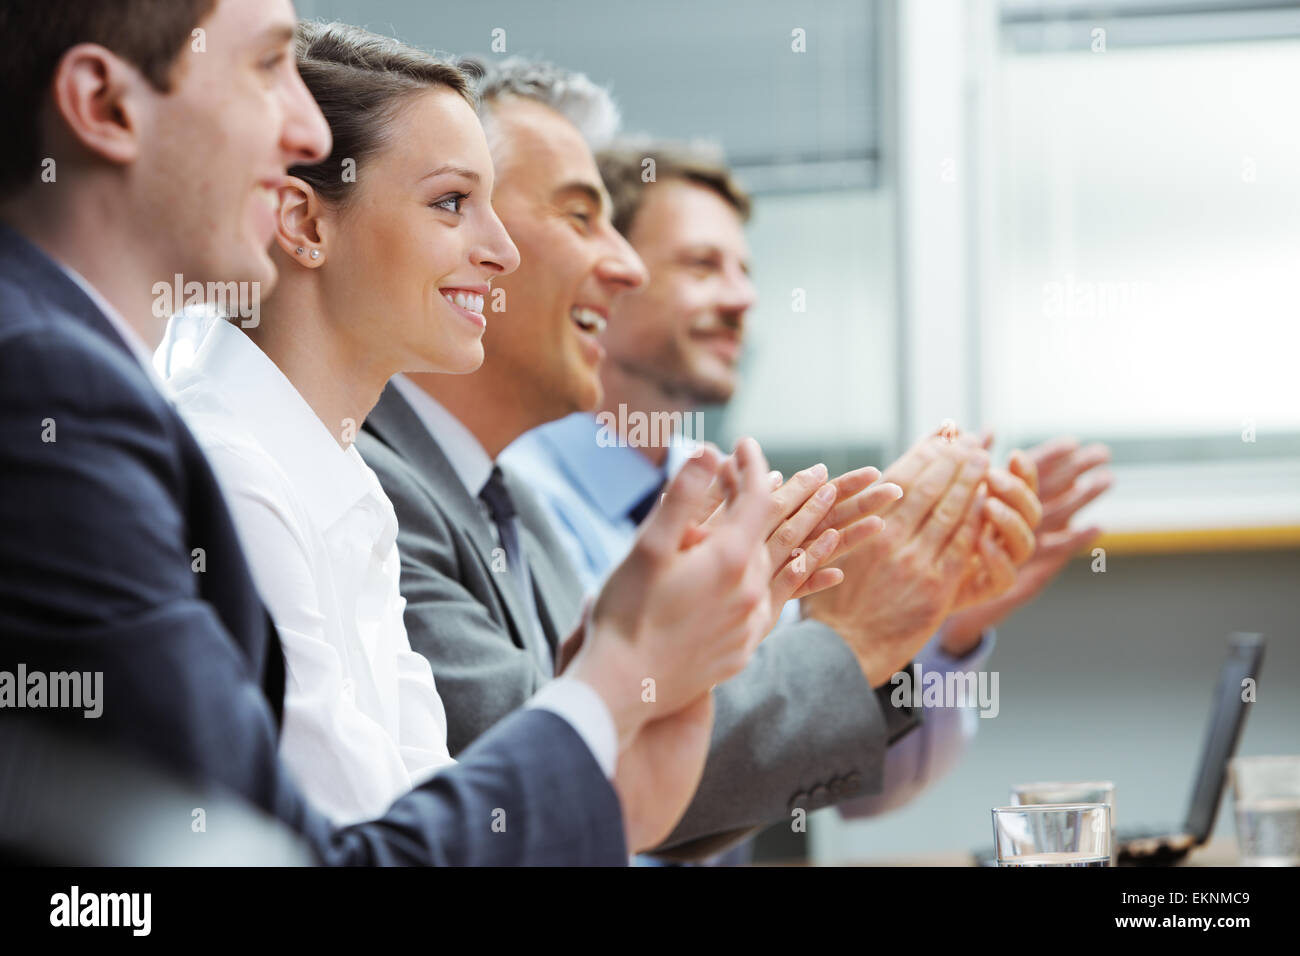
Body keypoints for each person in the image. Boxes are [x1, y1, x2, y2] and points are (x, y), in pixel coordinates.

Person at [0, 0, 779, 864]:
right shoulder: (199, 453)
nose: (503, 252)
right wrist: (611, 687)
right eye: (451, 202)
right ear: (305, 223)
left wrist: (616, 742)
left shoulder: (350, 481)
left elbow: (404, 813)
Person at [358, 56, 1037, 858]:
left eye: (745, 269)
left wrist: (920, 627)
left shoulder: (517, 504)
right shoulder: (384, 490)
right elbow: (563, 781)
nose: (623, 267)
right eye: (580, 219)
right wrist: (851, 640)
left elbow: (653, 799)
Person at [507, 141, 1082, 823]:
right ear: (609, 275)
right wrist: (853, 639)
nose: (742, 298)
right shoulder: (510, 503)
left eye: (745, 271)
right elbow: (562, 795)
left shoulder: (738, 493)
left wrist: (939, 627)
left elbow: (849, 788)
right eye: (701, 265)